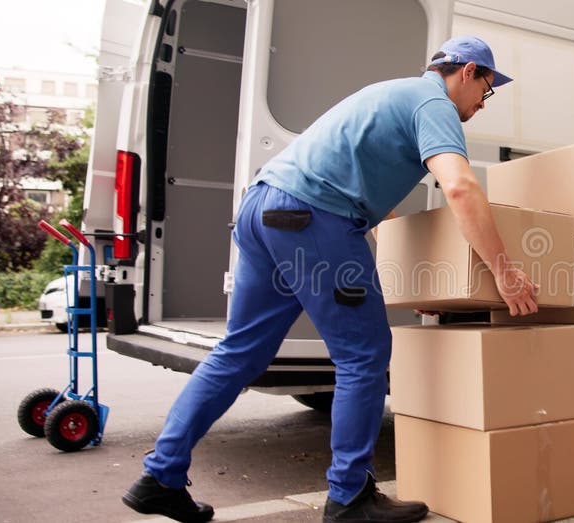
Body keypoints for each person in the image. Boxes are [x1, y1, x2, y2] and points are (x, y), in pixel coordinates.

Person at [121, 36, 538, 523]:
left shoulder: (390, 94)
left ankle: (160, 477)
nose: (482, 104)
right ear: (467, 72)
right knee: (363, 354)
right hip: (311, 217)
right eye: (486, 90)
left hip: (264, 209)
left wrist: (411, 285)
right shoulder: (434, 104)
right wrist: (505, 273)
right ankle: (349, 496)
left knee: (240, 351)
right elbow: (461, 188)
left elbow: (378, 212)